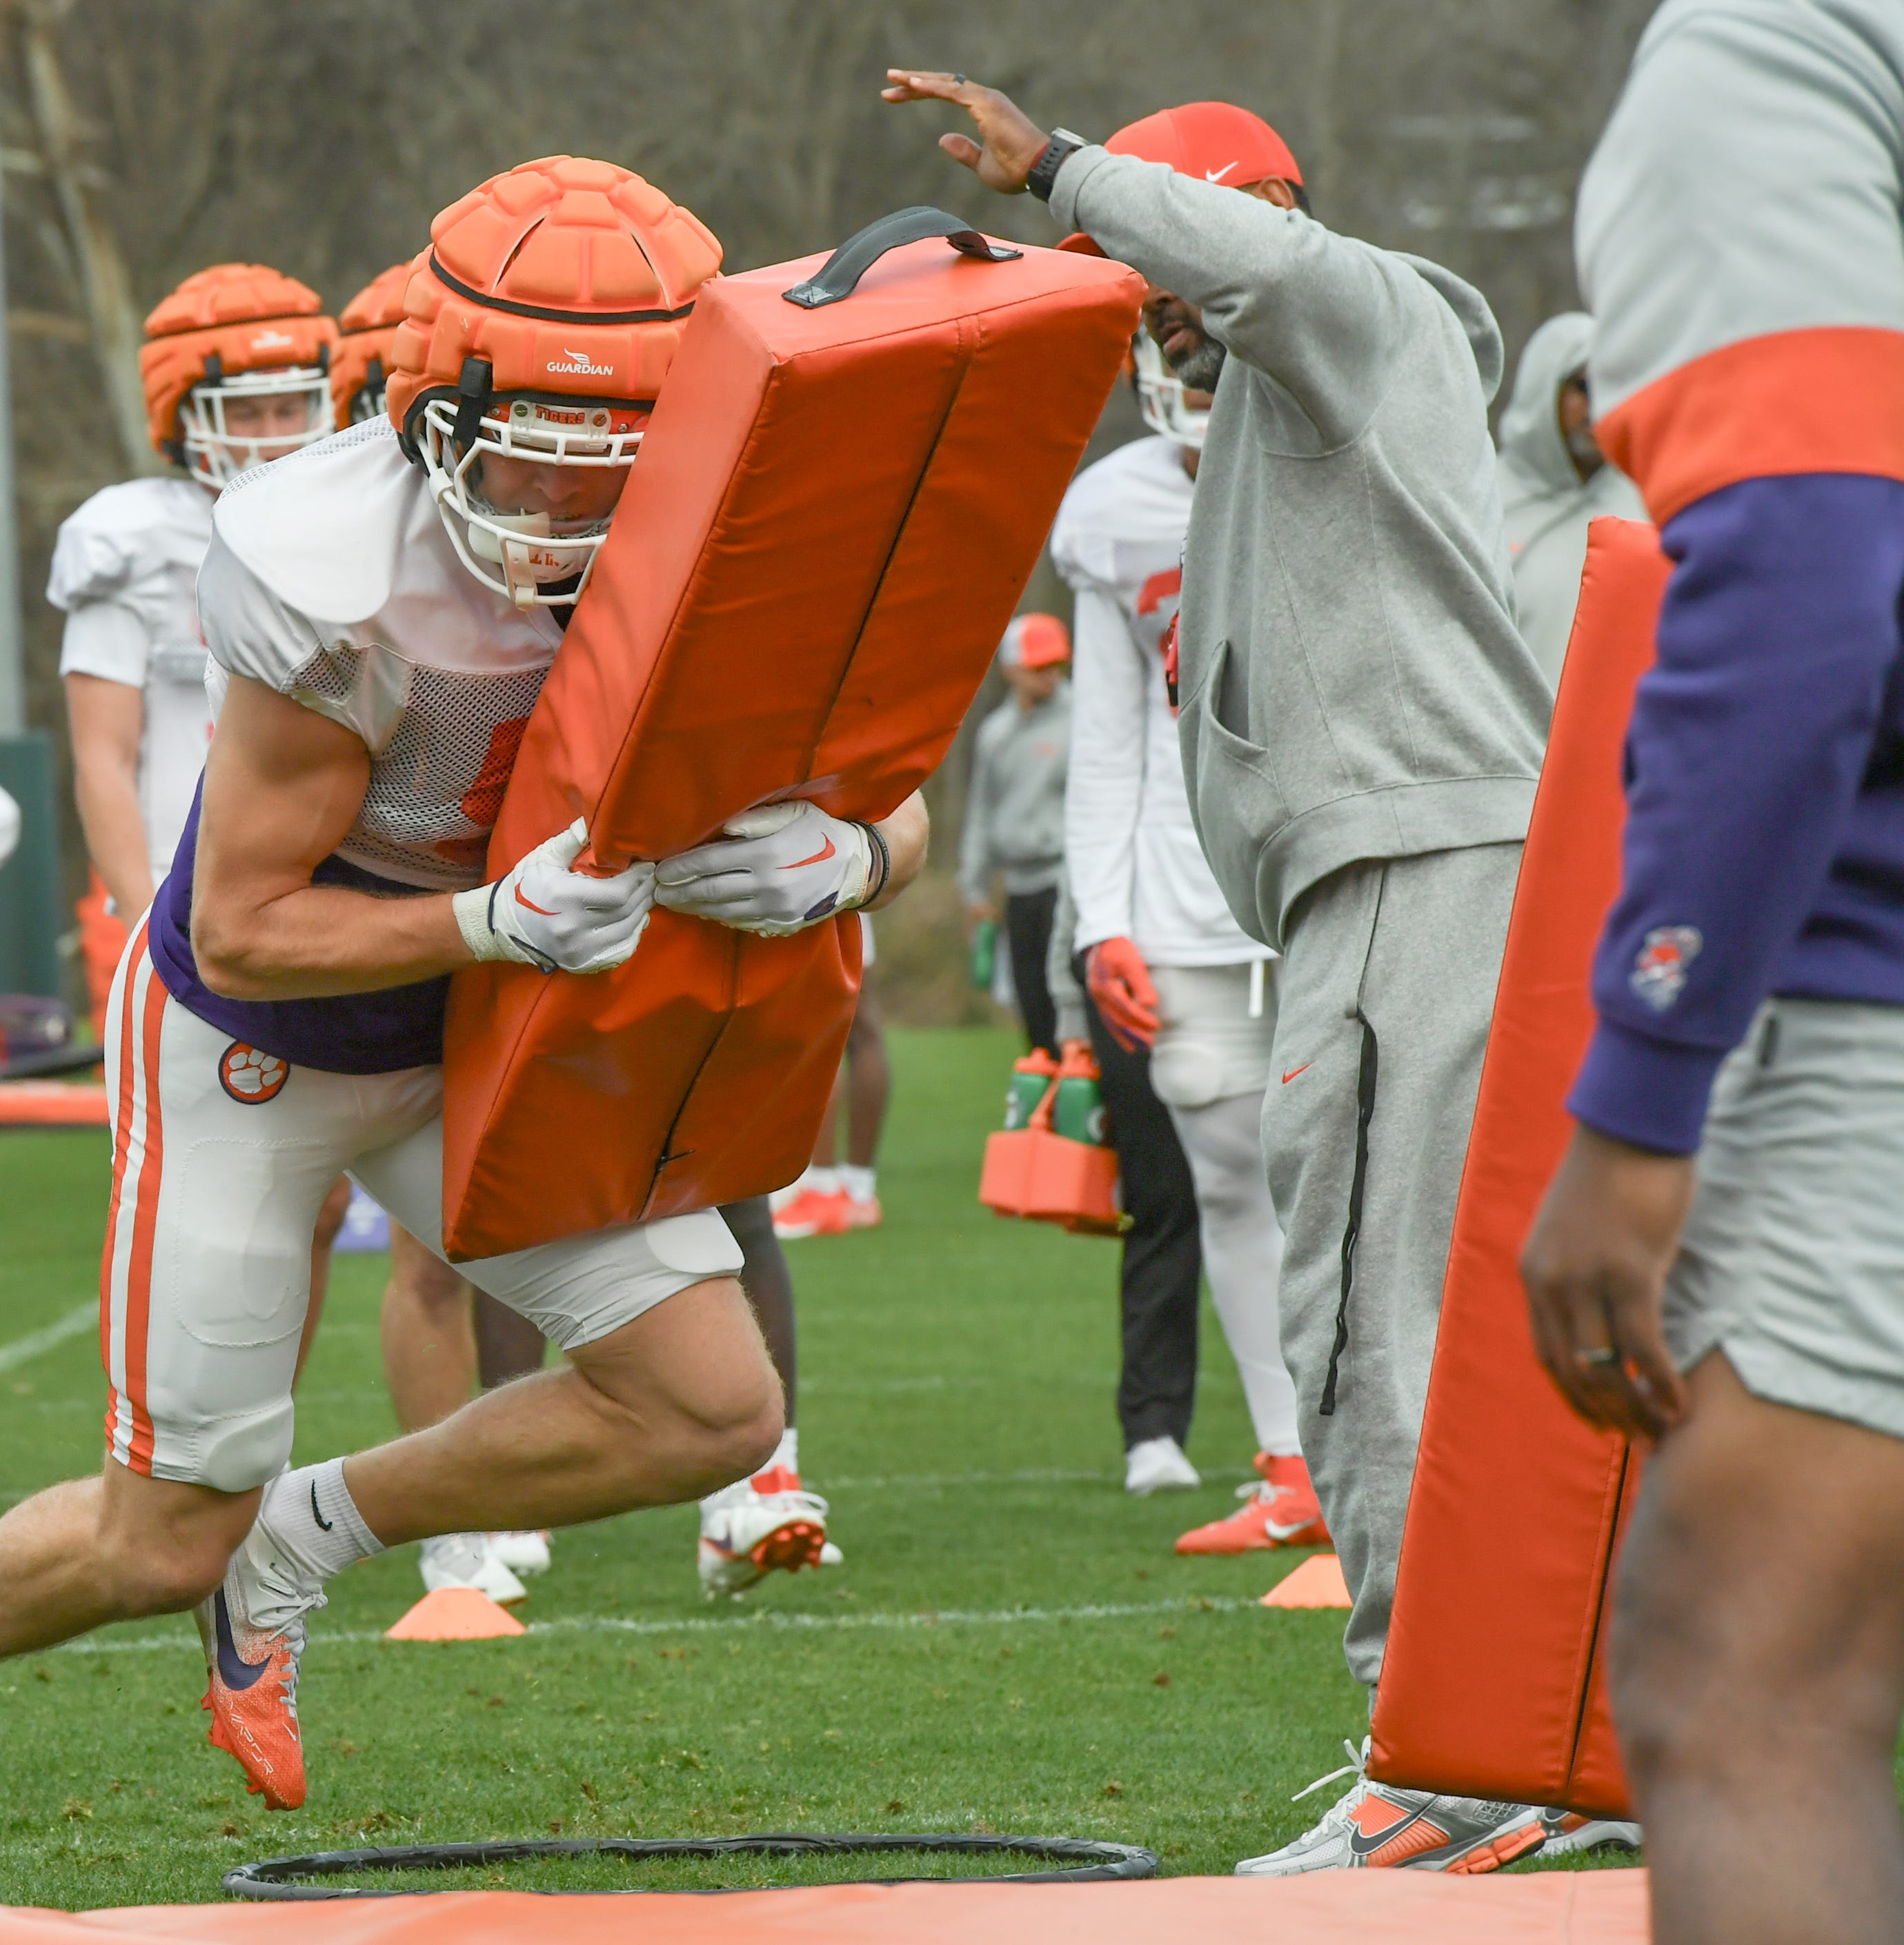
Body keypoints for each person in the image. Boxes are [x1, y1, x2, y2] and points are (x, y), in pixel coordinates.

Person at [0, 157, 927, 1817]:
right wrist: (490, 921)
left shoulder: (751, 500)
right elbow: (243, 933)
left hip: (486, 1034)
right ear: (432, 412)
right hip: (258, 1048)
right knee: (159, 1532)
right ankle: (231, 1535)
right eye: (528, 466)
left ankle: (304, 1533)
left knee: (712, 1403)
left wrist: (855, 858)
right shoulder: (322, 559)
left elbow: (888, 776)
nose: (567, 521)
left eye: (613, 476)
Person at [886, 78, 1635, 1875]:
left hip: (1421, 883)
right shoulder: (1228, 464)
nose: (1163, 329)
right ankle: (1500, 1753)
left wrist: (1069, 169)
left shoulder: (1374, 315)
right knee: (1376, 1332)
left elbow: (1266, 265)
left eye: (1166, 282)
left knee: (1379, 1340)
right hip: (1363, 899)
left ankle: (1448, 1776)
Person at [1522, 6, 1904, 1941]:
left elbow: (1810, 575)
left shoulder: (1773, 35)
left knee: (1746, 1678)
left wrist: (1641, 1097)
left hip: (1879, 1003)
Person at [52, 262, 351, 1373]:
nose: (276, 432)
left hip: (326, 908)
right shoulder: (128, 540)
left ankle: (252, 1454)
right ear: (187, 418)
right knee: (206, 1206)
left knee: (316, 1207)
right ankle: (176, 1459)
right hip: (189, 913)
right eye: (250, 411)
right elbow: (103, 756)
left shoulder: (352, 522)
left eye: (292, 405)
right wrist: (140, 923)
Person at [1048, 365, 1320, 1551]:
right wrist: (1100, 919)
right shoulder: (1112, 510)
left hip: (1336, 875)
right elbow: (1106, 735)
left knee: (1366, 1182)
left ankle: (1385, 1452)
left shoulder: (1349, 457)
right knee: (1221, 1182)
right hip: (1181, 895)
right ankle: (1290, 1468)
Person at [1049, 868, 1209, 1495]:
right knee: (1162, 1200)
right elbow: (1085, 864)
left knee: (1287, 1210)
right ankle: (1153, 1430)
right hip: (1131, 985)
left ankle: (1293, 1438)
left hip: (1257, 974)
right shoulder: (1117, 767)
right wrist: (1069, 1021)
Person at [1495, 312, 1647, 689]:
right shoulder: (1485, 501)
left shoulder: (1645, 509)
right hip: (1510, 741)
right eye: (1584, 388)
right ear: (1544, 387)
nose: (1598, 409)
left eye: (1611, 389)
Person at [959, 612, 1072, 1056]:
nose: (1050, 674)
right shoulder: (994, 734)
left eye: (1055, 664)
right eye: (1038, 664)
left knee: (1071, 1007)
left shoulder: (1082, 719)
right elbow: (981, 815)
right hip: (1018, 890)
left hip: (1067, 883)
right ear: (1011, 668)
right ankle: (1043, 1113)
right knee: (1033, 1012)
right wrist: (974, 889)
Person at [772, 917, 891, 1237]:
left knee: (819, 1024)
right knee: (862, 1028)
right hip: (856, 883)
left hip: (814, 886)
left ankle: (821, 1191)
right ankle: (859, 1193)